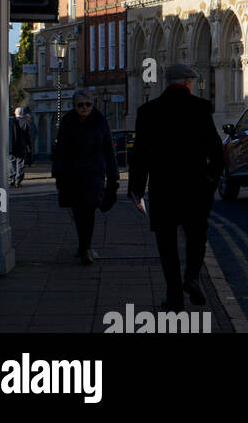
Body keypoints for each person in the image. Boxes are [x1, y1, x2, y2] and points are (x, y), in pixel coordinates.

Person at [129, 63, 224, 312]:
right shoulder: (200, 109)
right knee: (196, 236)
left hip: (163, 188)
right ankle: (192, 276)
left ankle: (174, 298)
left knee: (167, 244)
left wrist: (136, 188)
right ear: (188, 83)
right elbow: (216, 151)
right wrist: (212, 180)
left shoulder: (148, 111)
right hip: (196, 187)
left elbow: (140, 155)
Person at [52, 90, 117, 264]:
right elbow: (60, 151)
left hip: (93, 174)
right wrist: (58, 174)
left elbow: (109, 151)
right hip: (72, 175)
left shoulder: (100, 122)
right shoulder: (67, 122)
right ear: (74, 106)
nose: (84, 108)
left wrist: (113, 177)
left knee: (89, 210)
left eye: (88, 104)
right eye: (80, 105)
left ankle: (86, 248)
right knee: (78, 211)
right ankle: (83, 246)